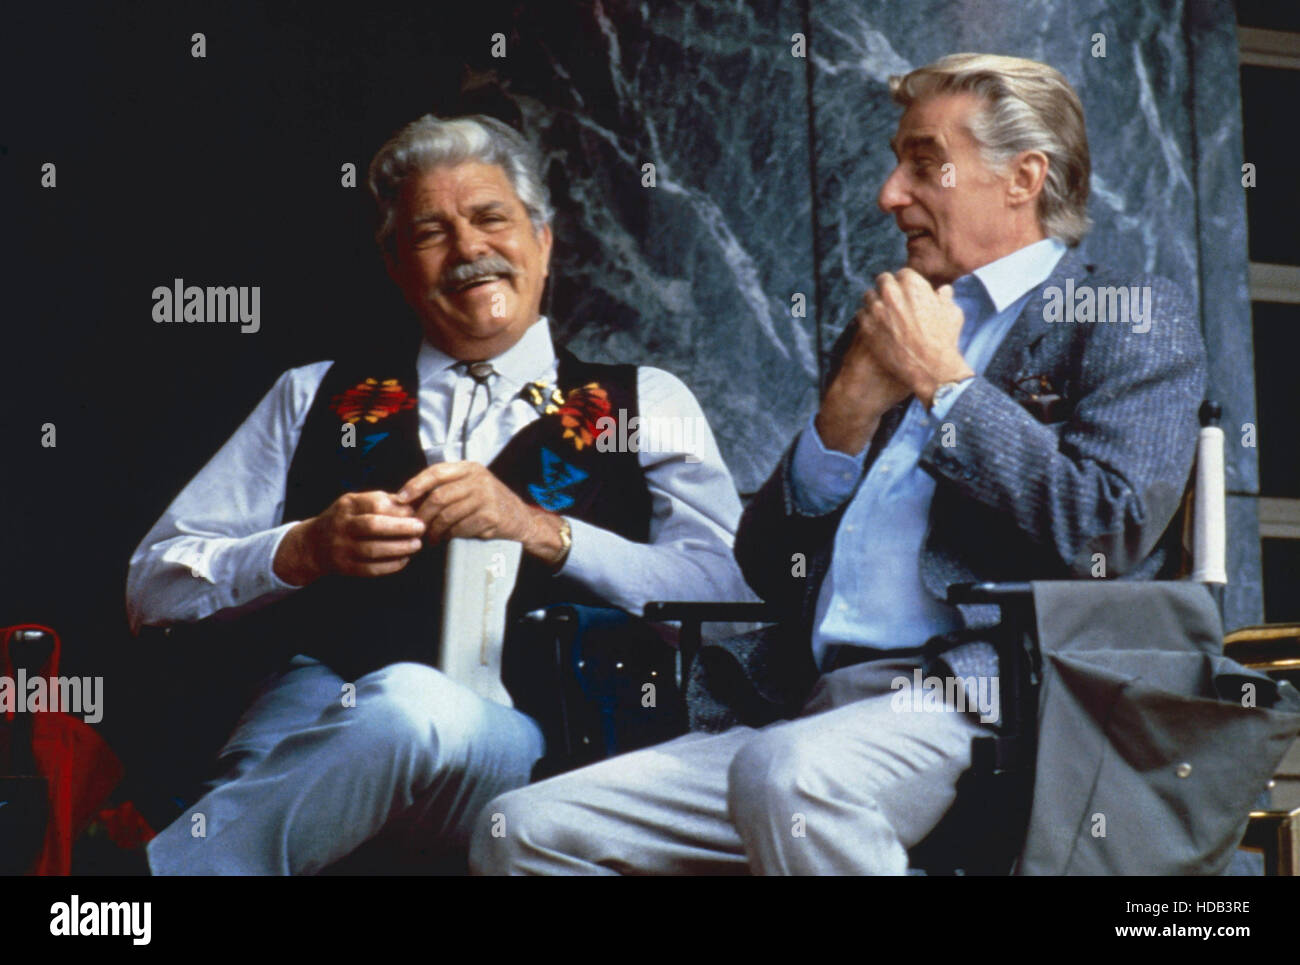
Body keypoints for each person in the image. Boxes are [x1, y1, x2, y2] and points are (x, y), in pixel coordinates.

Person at [471, 53, 1208, 875]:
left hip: (989, 696)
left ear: (1023, 177)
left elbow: (1105, 528)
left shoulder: (1120, 314)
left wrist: (947, 383)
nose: (891, 193)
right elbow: (769, 566)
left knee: (788, 777)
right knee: (525, 829)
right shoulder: (889, 323)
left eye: (925, 163)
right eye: (897, 162)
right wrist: (845, 415)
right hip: (813, 700)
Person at [126, 114, 752, 875]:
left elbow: (728, 600)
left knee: (409, 704)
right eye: (430, 232)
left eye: (491, 218)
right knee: (350, 728)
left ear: (543, 240)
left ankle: (127, 895)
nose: (468, 251)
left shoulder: (645, 401)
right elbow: (152, 585)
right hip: (318, 724)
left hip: (538, 749)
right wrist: (300, 549)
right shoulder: (313, 393)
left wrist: (544, 530)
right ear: (394, 264)